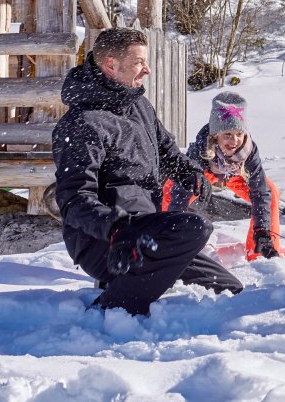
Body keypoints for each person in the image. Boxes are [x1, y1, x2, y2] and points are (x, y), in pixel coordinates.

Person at [53, 28, 243, 316]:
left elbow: (166, 150)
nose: (148, 70)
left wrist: (188, 171)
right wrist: (117, 228)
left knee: (231, 290)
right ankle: (112, 309)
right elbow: (73, 201)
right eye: (139, 63)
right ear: (111, 66)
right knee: (194, 228)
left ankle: (129, 281)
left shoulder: (138, 105)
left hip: (147, 230)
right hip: (106, 241)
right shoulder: (83, 124)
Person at [162, 91, 282, 262]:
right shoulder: (200, 151)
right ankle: (165, 244)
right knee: (170, 188)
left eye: (239, 134)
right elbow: (181, 193)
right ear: (215, 135)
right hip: (205, 173)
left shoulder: (249, 150)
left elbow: (260, 191)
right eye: (227, 135)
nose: (234, 141)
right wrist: (173, 228)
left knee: (270, 192)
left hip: (235, 175)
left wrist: (262, 231)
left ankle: (261, 252)